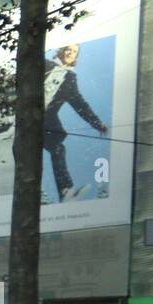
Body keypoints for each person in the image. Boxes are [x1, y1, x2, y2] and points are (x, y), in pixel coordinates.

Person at [42, 44, 109, 203]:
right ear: (61, 51)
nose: (70, 53)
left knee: (57, 149)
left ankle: (65, 192)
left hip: (46, 121)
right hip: (26, 117)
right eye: (68, 49)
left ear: (75, 57)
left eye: (74, 52)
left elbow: (80, 105)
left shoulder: (70, 79)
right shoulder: (43, 64)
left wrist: (97, 124)